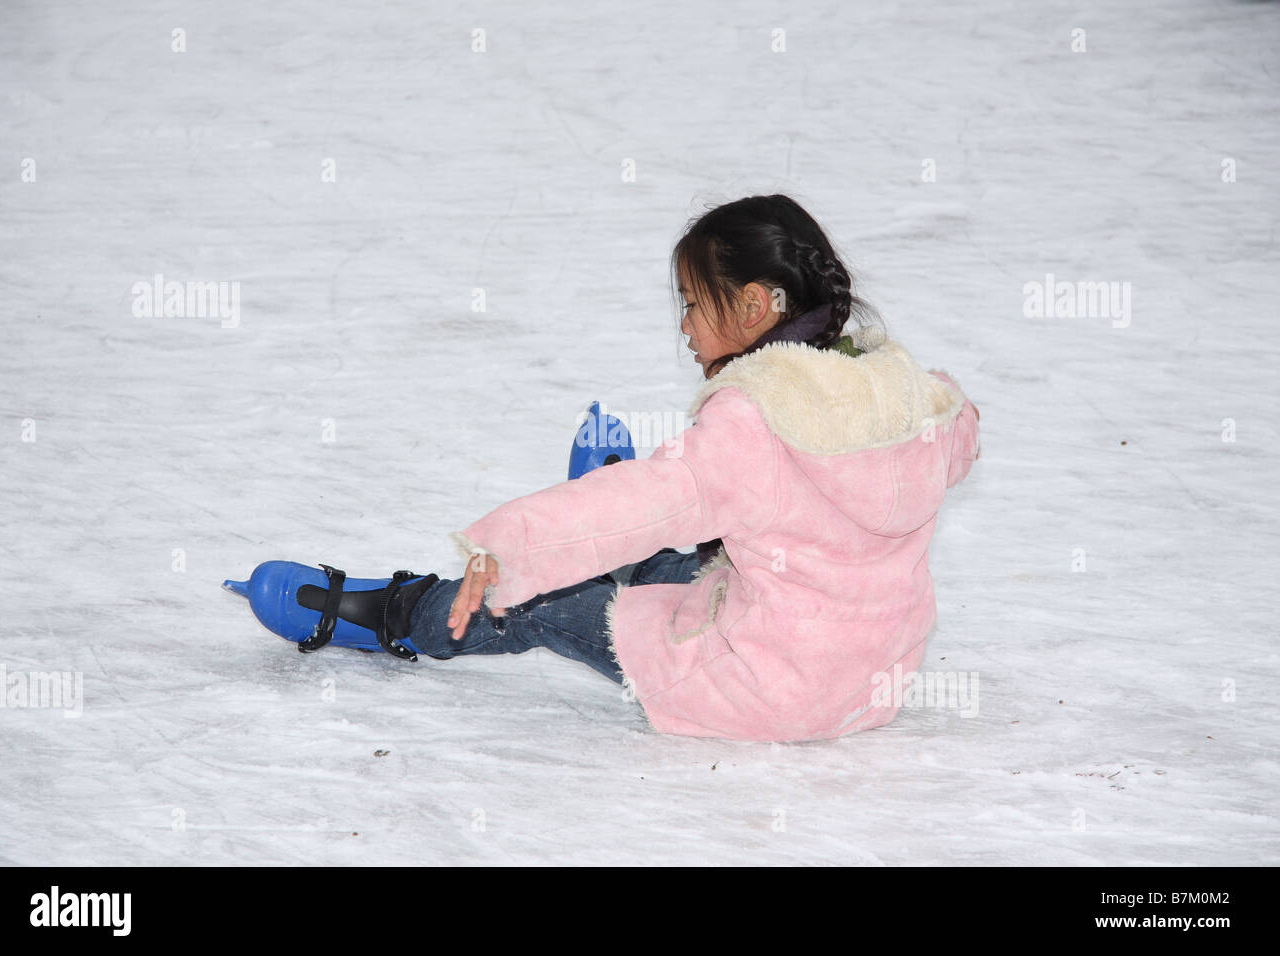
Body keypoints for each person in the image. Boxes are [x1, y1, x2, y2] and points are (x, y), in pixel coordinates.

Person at [374, 194, 979, 742]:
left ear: (750, 306)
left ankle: (393, 612)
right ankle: (631, 557)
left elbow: (649, 499)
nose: (685, 324)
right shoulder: (910, 398)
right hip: (874, 681)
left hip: (758, 688)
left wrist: (510, 545)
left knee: (540, 603)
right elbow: (964, 429)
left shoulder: (753, 424)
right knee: (693, 561)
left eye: (692, 303)